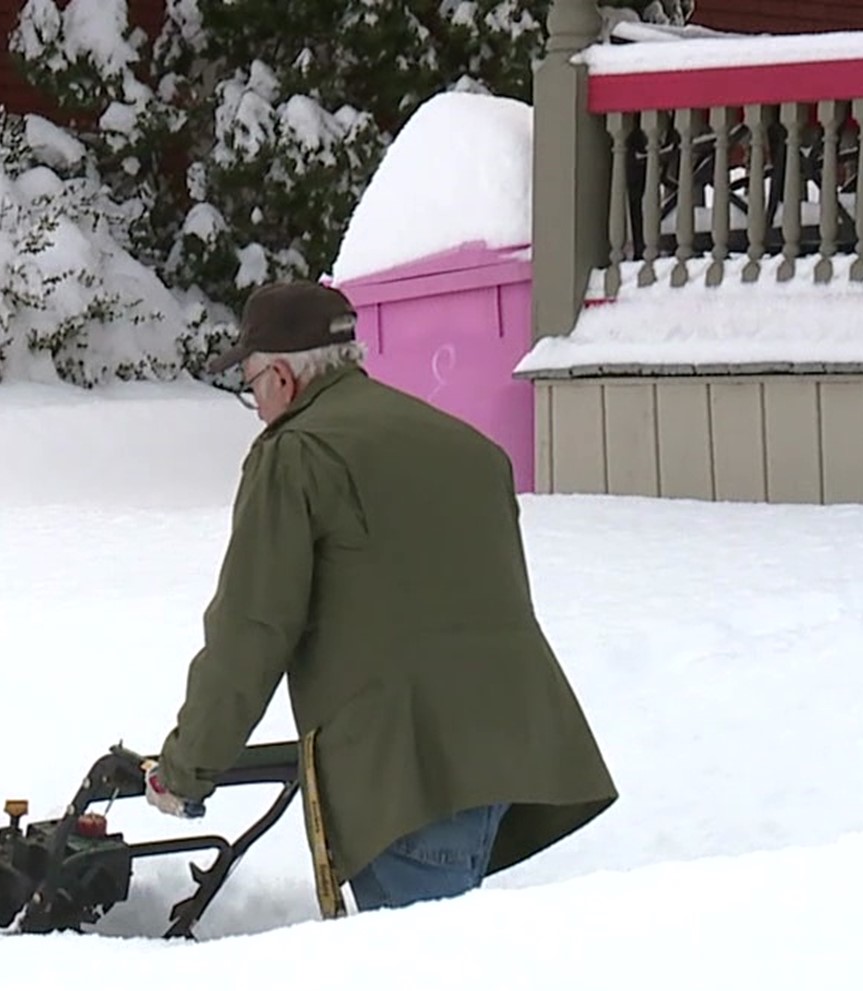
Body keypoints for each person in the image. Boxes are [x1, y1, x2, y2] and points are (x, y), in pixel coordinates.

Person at [141, 280, 617, 914]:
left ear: (283, 378)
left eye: (252, 384)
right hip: (508, 753)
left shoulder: (294, 455)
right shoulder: (466, 447)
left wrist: (185, 770)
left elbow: (252, 631)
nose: (255, 405)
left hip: (405, 775)